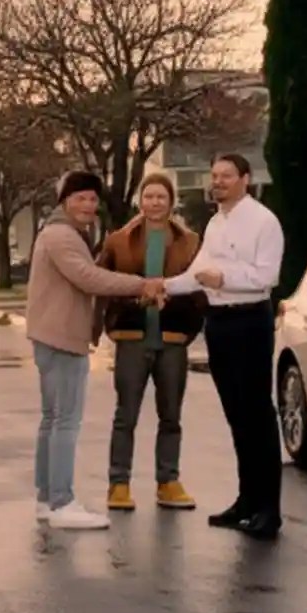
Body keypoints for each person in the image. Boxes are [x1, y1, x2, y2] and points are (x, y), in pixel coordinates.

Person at [26, 171, 166, 530]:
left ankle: (47, 498)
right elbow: (88, 277)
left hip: (53, 334)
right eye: (80, 198)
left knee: (52, 419)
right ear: (64, 201)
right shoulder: (61, 235)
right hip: (60, 337)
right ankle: (61, 501)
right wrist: (143, 284)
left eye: (92, 199)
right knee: (65, 420)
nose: (88, 205)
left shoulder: (65, 232)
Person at [164, 153, 285, 539]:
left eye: (227, 176)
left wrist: (223, 277)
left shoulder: (264, 221)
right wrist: (158, 287)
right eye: (214, 175)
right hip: (219, 324)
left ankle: (269, 510)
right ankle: (246, 501)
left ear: (245, 179)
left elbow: (267, 276)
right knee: (236, 416)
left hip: (250, 321)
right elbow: (195, 274)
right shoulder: (215, 223)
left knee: (257, 416)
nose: (218, 182)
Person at [94, 172, 206, 512]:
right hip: (132, 338)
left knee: (171, 415)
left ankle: (168, 482)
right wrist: (125, 310)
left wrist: (188, 325)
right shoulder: (117, 241)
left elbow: (200, 289)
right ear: (140, 201)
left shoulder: (190, 241)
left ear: (171, 202)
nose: (155, 202)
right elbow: (103, 284)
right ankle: (118, 484)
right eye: (149, 196)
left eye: (161, 197)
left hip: (173, 340)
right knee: (125, 414)